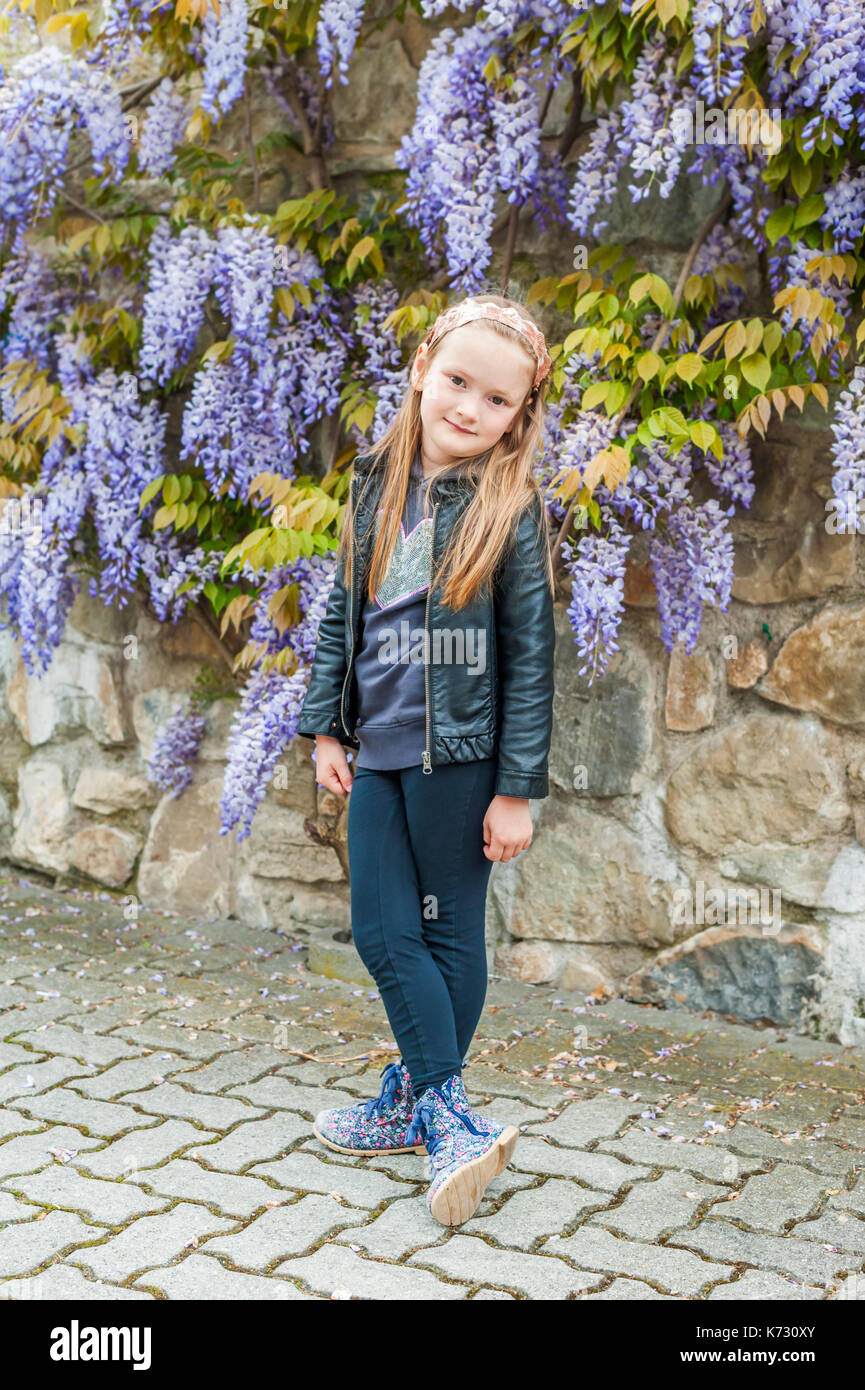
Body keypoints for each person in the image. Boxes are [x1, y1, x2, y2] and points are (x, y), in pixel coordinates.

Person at [296, 293, 556, 1227]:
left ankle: (431, 1111)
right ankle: (437, 1107)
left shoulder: (509, 509)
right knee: (380, 926)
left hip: (461, 761)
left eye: (497, 401)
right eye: (457, 382)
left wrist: (517, 790)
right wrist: (327, 727)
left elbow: (531, 659)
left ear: (517, 416)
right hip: (380, 749)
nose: (469, 409)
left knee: (446, 934)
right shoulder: (374, 483)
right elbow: (343, 615)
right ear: (420, 370)